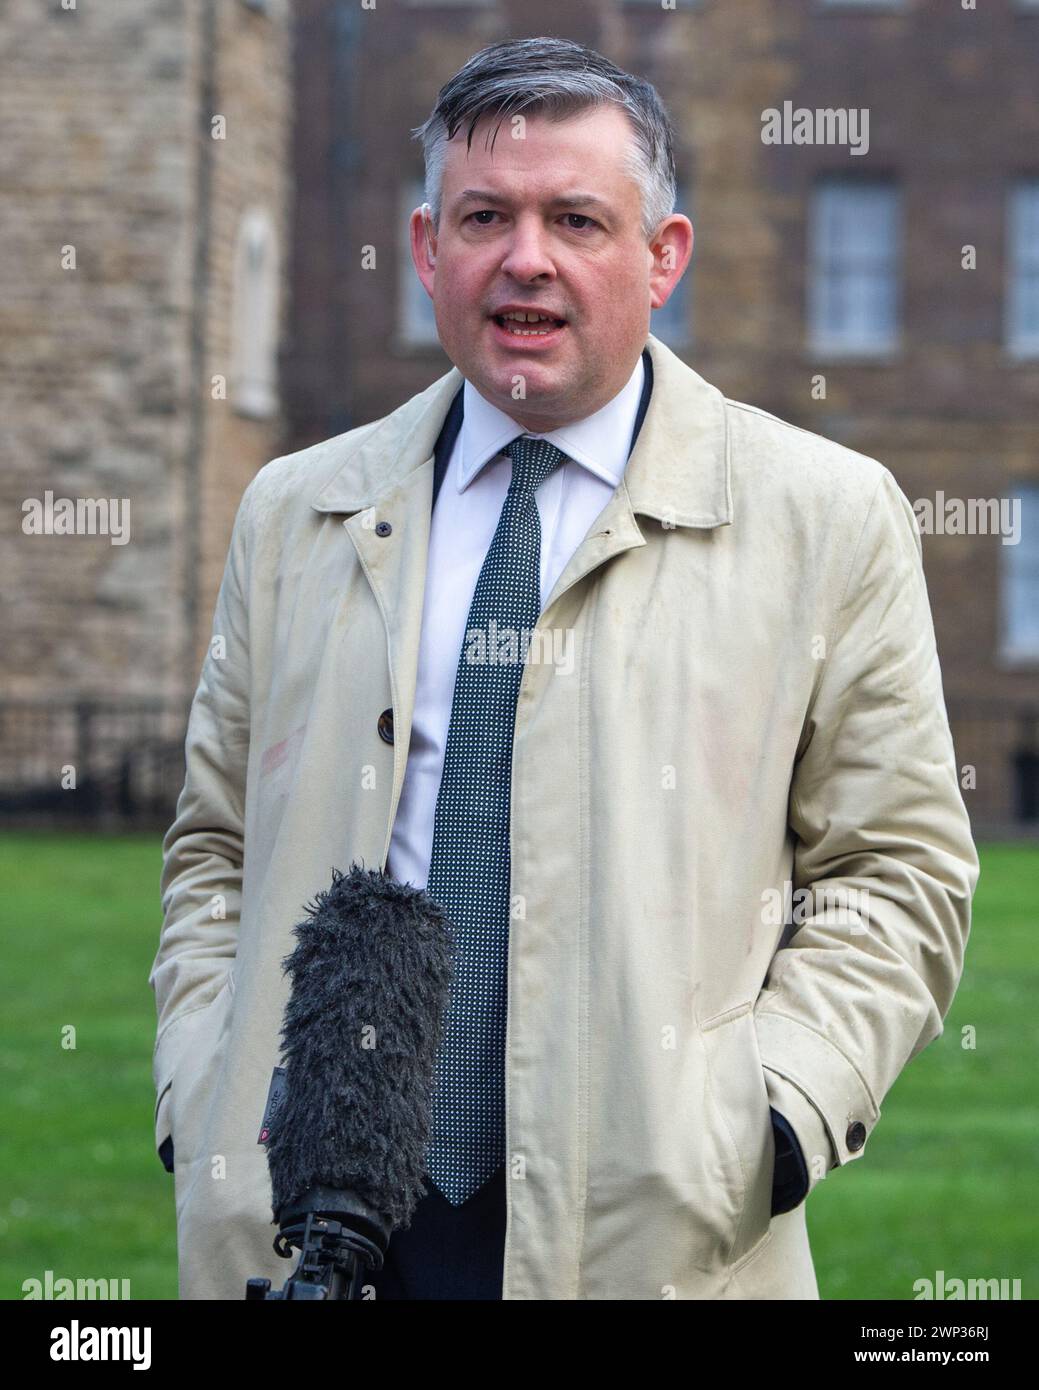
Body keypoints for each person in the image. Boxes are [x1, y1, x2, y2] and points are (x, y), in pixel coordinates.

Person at [150, 36, 980, 1300]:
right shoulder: (295, 508)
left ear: (663, 257)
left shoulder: (825, 514)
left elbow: (899, 868)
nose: (524, 257)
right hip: (308, 1219)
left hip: (657, 1237)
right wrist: (199, 1085)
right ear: (428, 249)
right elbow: (214, 843)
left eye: (576, 219)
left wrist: (764, 1129)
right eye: (485, 216)